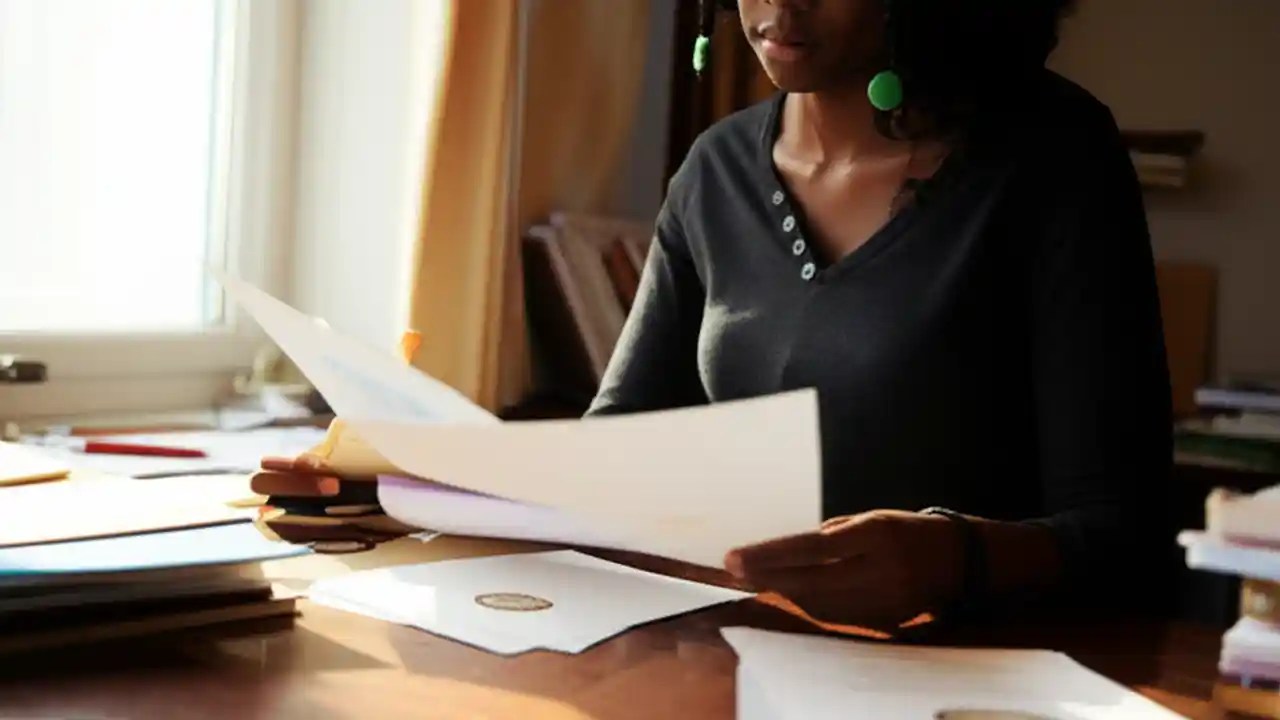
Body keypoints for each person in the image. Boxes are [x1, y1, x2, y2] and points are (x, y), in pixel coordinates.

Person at [257, 0, 1173, 631]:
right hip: (740, 650)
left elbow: (1124, 531)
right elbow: (609, 457)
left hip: (974, 677)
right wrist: (391, 487)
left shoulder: (1054, 156)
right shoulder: (716, 169)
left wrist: (955, 557)